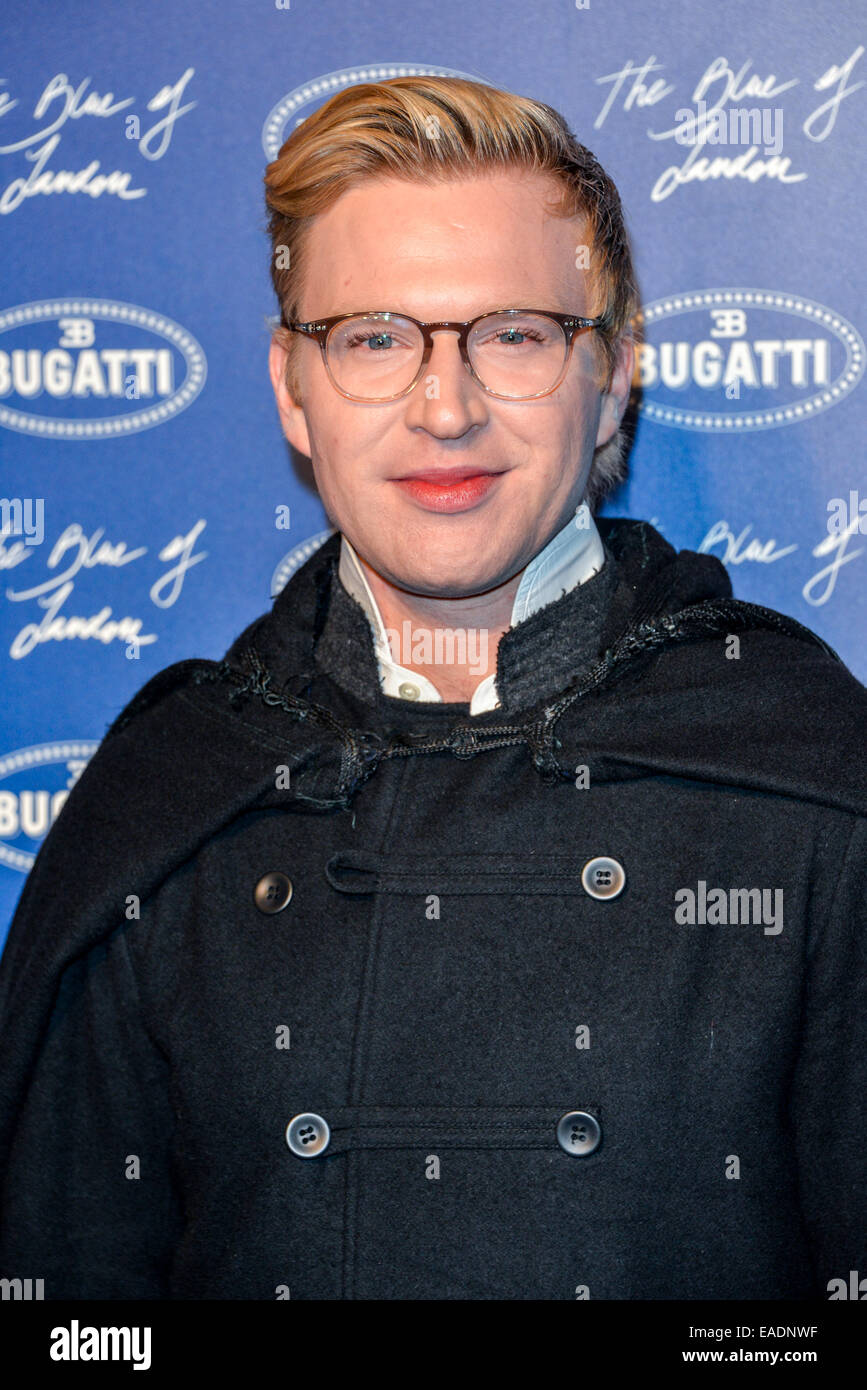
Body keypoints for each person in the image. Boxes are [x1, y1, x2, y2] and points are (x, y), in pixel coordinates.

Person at [0, 75, 865, 1301]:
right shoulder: (164, 806)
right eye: (371, 339)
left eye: (513, 334)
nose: (443, 406)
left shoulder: (815, 786)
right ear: (293, 391)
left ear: (613, 371)